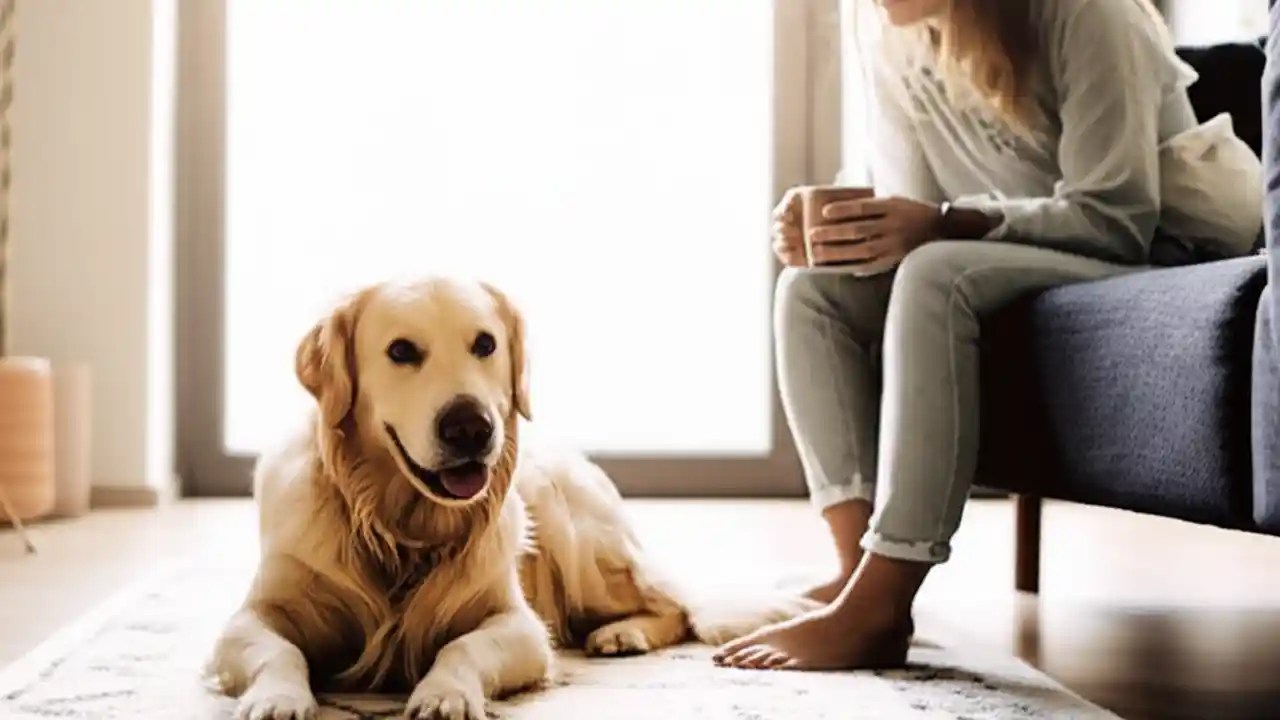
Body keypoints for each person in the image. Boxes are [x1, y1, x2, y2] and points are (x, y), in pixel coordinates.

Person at [714, 0, 1254, 671]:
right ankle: (855, 573)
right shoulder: (886, 24)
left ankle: (882, 602)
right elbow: (911, 200)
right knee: (812, 291)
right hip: (1012, 246)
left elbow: (1116, 218)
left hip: (1157, 247)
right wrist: (841, 226)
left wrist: (942, 223)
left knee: (939, 274)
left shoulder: (1087, 13)